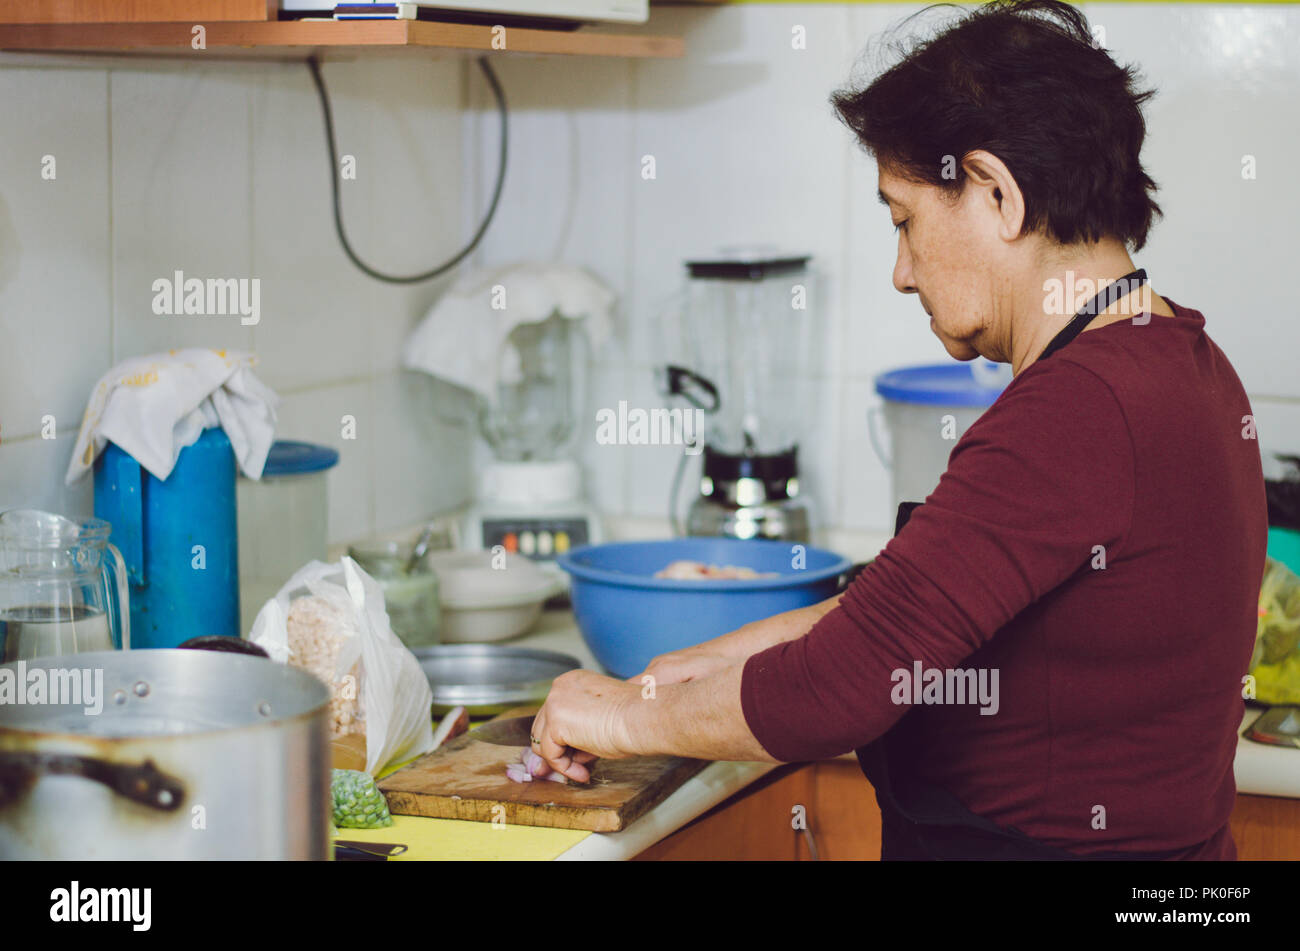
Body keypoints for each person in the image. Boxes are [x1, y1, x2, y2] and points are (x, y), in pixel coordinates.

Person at [530, 0, 1266, 859]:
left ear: (996, 192)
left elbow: (840, 687)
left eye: (905, 219)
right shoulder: (1184, 362)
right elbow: (912, 611)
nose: (901, 272)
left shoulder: (1077, 410)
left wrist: (621, 713)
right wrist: (705, 665)